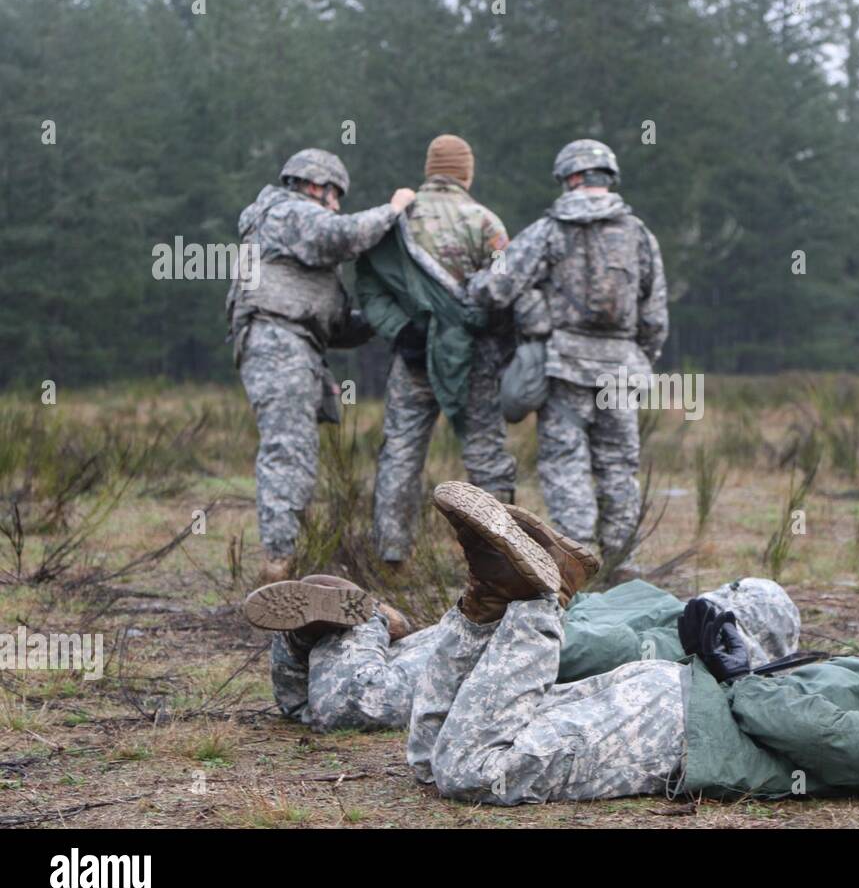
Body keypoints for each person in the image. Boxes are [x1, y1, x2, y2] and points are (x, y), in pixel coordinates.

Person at [402, 483, 859, 805]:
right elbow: (813, 733)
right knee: (475, 772)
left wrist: (731, 665)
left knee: (432, 758)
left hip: (672, 699)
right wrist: (740, 672)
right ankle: (534, 602)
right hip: (677, 728)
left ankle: (483, 607)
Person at [242, 498, 797, 733]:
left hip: (474, 629)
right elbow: (578, 650)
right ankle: (364, 620)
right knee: (351, 705)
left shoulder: (653, 601)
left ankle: (313, 637)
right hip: (500, 646)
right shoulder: (685, 647)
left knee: (301, 704)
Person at [466, 139, 669, 578]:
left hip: (565, 368)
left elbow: (498, 286)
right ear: (606, 178)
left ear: (571, 179)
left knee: (565, 463)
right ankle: (623, 564)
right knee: (619, 467)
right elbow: (654, 315)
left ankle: (578, 564)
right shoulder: (639, 234)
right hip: (622, 367)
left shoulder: (550, 230)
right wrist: (638, 359)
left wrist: (475, 286)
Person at [227, 149, 414, 585]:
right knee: (288, 452)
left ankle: (284, 558)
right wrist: (396, 208)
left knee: (296, 451)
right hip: (278, 342)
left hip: (295, 344)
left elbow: (336, 325)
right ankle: (278, 566)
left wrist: (386, 318)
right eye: (335, 197)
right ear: (316, 187)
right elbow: (345, 236)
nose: (337, 206)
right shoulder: (286, 213)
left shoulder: (289, 234)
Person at [358, 135, 517, 571]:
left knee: (401, 451)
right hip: (473, 359)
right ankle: (500, 556)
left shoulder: (395, 219)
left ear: (430, 169)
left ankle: (392, 554)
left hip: (412, 357)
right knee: (485, 453)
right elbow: (505, 288)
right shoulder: (486, 222)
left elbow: (368, 285)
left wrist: (400, 330)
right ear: (466, 172)